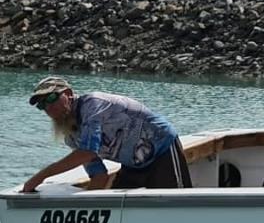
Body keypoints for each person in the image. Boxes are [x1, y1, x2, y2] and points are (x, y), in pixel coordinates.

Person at [23, 76, 191, 193]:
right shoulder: (72, 137)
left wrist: (41, 176)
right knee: (117, 203)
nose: (48, 107)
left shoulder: (93, 105)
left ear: (68, 93)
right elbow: (99, 175)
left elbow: (87, 153)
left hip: (162, 150)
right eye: (41, 105)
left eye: (52, 98)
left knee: (175, 203)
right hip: (133, 165)